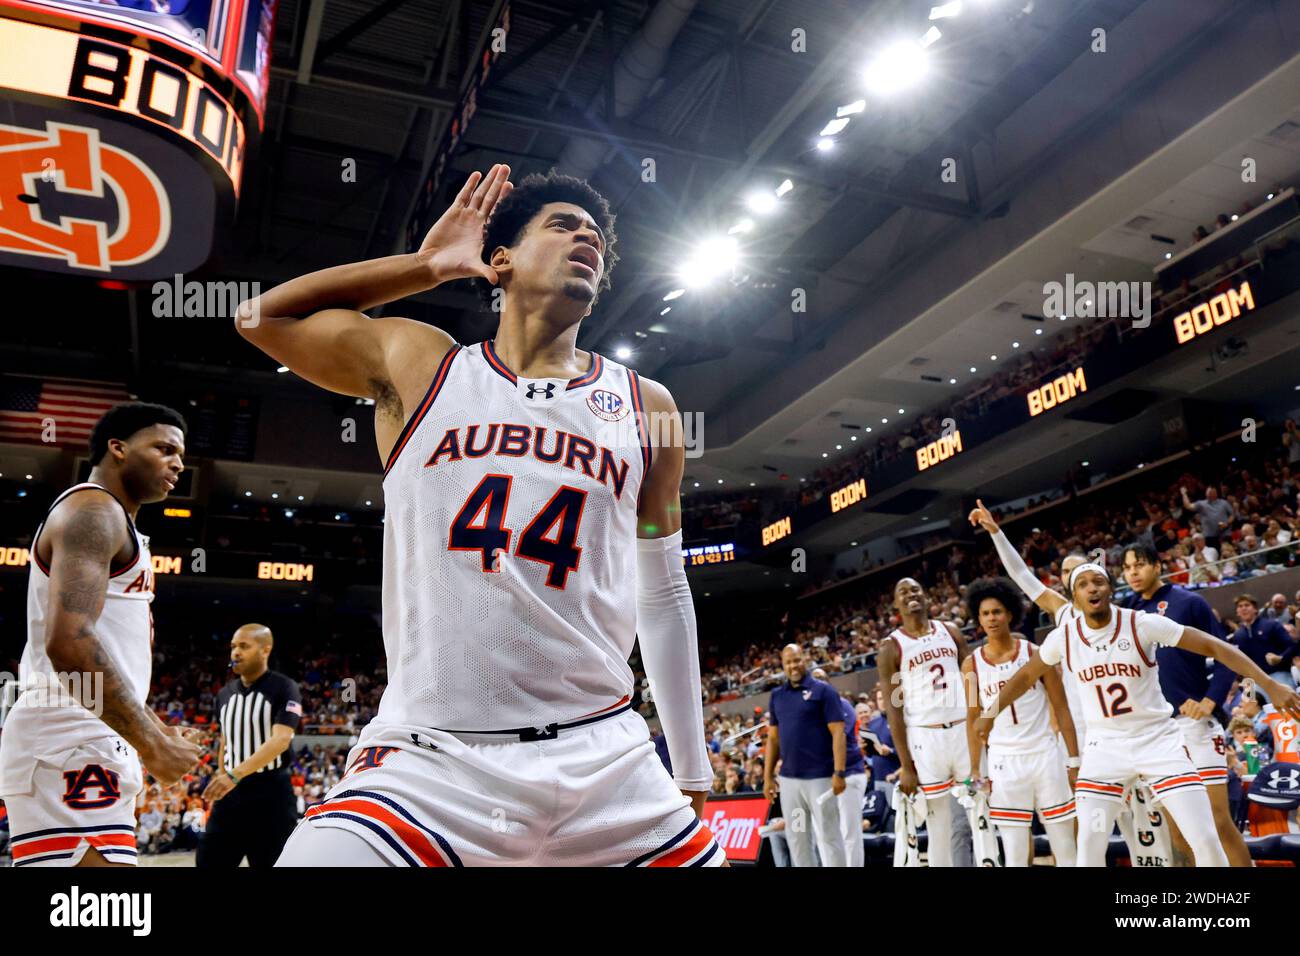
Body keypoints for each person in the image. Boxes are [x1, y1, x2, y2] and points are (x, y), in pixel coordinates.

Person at [243, 165, 719, 867]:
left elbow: (664, 590)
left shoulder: (647, 406)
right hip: (435, 755)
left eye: (594, 234)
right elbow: (262, 317)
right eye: (562, 224)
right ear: (501, 261)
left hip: (606, 760)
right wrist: (424, 266)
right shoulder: (423, 365)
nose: (585, 235)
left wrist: (691, 771)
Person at [974, 562, 1300, 866]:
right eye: (1083, 584)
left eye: (1098, 582)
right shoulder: (1065, 637)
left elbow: (1215, 646)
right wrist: (990, 712)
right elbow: (1025, 676)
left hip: (1157, 742)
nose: (1092, 589)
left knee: (1203, 836)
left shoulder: (1141, 624)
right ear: (1074, 597)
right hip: (1105, 750)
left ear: (1110, 589)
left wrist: (1269, 684)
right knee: (1089, 844)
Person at [0, 404, 201, 867]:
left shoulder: (109, 517)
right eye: (164, 449)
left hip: (81, 731)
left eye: (181, 455)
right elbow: (69, 642)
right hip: (70, 734)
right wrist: (152, 744)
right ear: (118, 448)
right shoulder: (93, 511)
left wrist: (151, 729)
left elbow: (103, 650)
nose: (178, 464)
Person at [970, 501, 1170, 864]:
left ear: (1103, 581)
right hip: (1085, 739)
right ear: (1068, 584)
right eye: (1068, 572)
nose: (1079, 578)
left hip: (1133, 733)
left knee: (1147, 827)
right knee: (1088, 835)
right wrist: (996, 532)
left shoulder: (1125, 620)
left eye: (1088, 572)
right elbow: (1021, 575)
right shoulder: (1063, 616)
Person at [1120, 544, 1251, 866]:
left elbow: (1225, 656)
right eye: (1127, 568)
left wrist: (1210, 701)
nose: (1133, 572)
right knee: (1179, 830)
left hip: (1195, 725)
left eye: (1140, 565)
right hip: (1157, 733)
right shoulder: (1128, 613)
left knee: (1217, 822)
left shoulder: (1188, 602)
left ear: (1156, 565)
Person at [962, 577, 1078, 866]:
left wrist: (1074, 758)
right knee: (1014, 851)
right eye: (985, 613)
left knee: (1064, 843)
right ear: (978, 618)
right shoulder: (972, 663)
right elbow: (973, 718)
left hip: (1044, 753)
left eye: (997, 611)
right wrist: (975, 767)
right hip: (1004, 759)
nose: (991, 618)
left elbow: (1061, 708)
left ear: (1010, 614)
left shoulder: (1035, 654)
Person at [875, 577, 971, 867]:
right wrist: (906, 765)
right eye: (902, 592)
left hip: (964, 731)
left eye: (915, 589)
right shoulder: (891, 648)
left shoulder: (950, 631)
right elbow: (894, 710)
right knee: (939, 825)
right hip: (927, 739)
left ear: (925, 596)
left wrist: (984, 726)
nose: (910, 595)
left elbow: (972, 680)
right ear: (896, 604)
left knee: (981, 811)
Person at [197, 624, 303, 868]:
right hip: (231, 792)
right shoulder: (224, 694)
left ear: (265, 650)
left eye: (244, 646)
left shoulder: (284, 687)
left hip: (271, 793)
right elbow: (226, 741)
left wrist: (233, 775)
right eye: (233, 647)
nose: (235, 653)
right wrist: (222, 775)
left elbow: (281, 740)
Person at [762, 647, 847, 867]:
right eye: (788, 662)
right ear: (783, 665)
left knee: (830, 837)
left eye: (797, 660)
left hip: (821, 780)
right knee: (798, 839)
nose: (793, 666)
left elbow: (838, 732)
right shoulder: (777, 696)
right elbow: (773, 739)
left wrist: (839, 771)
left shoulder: (823, 691)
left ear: (805, 660)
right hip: (791, 785)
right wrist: (768, 777)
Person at [812, 667, 868, 866]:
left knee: (849, 834)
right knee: (825, 835)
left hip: (848, 774)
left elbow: (837, 741)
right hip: (822, 779)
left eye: (820, 678)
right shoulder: (812, 712)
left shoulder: (841, 704)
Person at [1231, 595, 1299, 692]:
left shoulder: (1272, 625)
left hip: (1278, 674)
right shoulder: (1238, 635)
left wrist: (1281, 657)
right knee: (1249, 704)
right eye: (1240, 606)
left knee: (1286, 703)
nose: (1243, 608)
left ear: (1255, 609)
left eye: (1247, 605)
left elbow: (1292, 646)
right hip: (1255, 682)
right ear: (1237, 612)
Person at [1181, 485, 1234, 551]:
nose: (1209, 494)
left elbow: (1232, 515)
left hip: (1224, 535)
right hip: (1209, 537)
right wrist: (1184, 494)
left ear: (1215, 494)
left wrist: (1226, 523)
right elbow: (1188, 506)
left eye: (1211, 493)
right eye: (1208, 492)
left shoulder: (1224, 503)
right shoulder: (1201, 504)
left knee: (1227, 552)